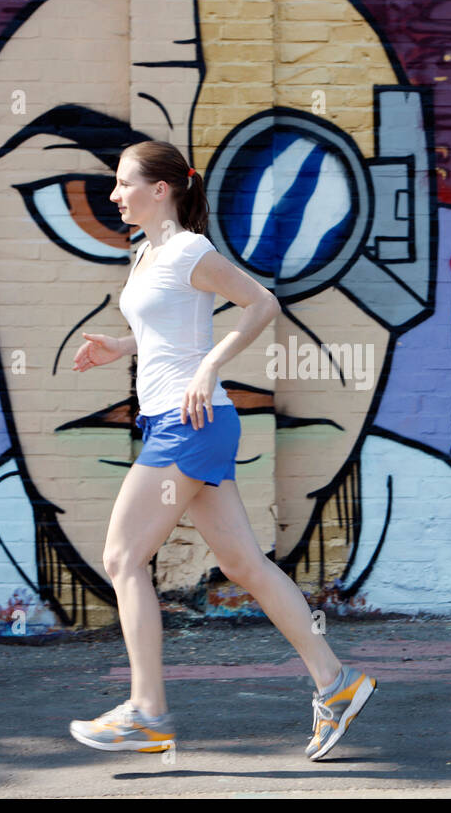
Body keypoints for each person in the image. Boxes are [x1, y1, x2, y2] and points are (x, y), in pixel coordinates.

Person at [67, 140, 376, 760]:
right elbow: (168, 328)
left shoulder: (189, 249)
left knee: (122, 558)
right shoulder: (148, 252)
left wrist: (210, 366)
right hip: (180, 422)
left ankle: (147, 712)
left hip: (190, 423)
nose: (114, 193)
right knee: (246, 566)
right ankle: (337, 682)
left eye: (124, 182)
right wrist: (120, 347)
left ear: (161, 190)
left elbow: (262, 303)